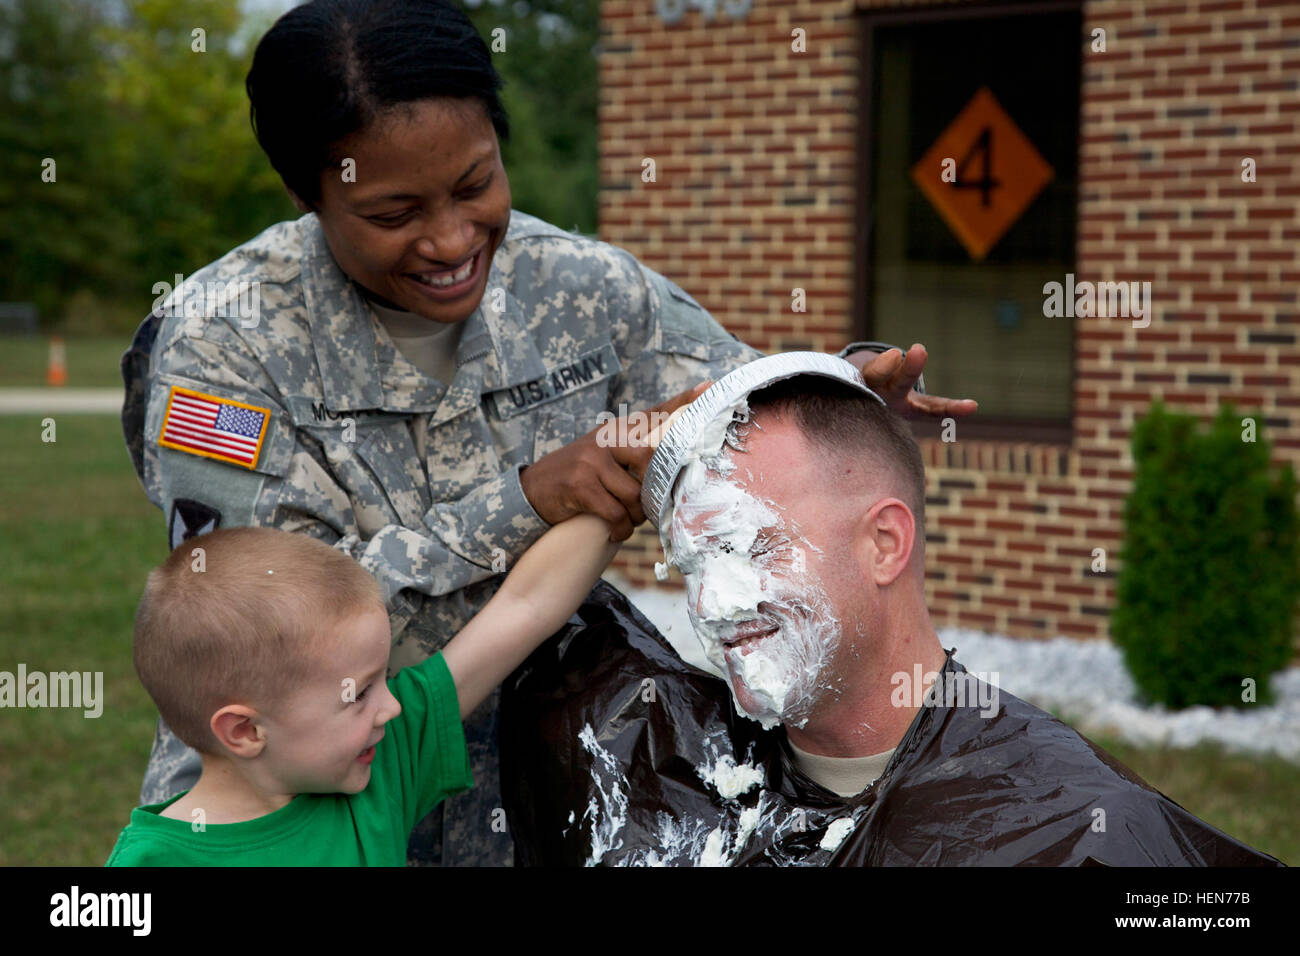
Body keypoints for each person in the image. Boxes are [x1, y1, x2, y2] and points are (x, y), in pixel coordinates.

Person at [119, 0, 974, 865]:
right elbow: (267, 645)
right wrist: (526, 500)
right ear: (307, 192)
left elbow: (735, 402)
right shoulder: (223, 340)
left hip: (536, 816)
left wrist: (840, 382)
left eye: (475, 184)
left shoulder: (585, 286)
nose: (452, 239)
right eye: (393, 214)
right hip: (284, 827)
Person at [501, 368, 1283, 866]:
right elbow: (501, 613)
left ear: (884, 544)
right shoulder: (655, 756)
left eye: (746, 547)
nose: (711, 603)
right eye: (694, 565)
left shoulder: (1074, 830)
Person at [107, 510, 618, 865]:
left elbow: (524, 607)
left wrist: (638, 479)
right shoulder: (153, 862)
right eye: (360, 694)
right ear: (244, 730)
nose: (392, 706)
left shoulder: (377, 772)